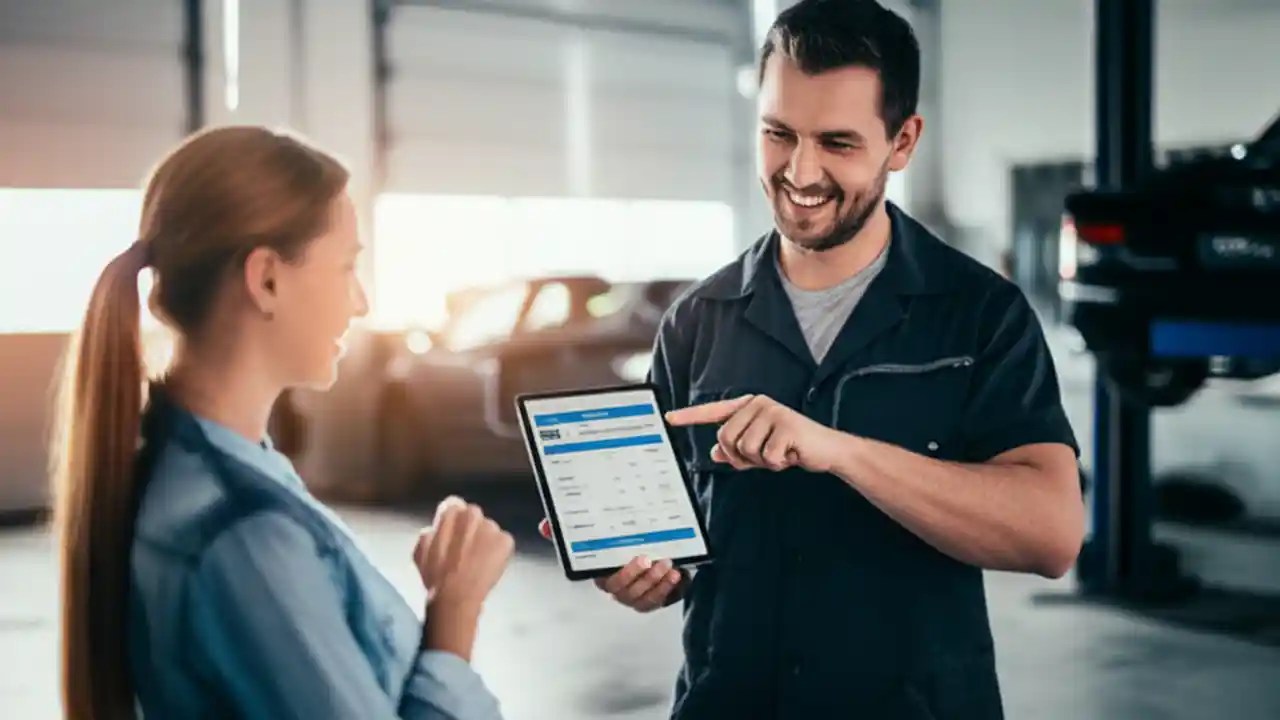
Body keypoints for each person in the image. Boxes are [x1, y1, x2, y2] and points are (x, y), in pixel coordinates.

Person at [540, 1, 1083, 717]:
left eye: (837, 142)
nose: (799, 171)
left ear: (903, 140)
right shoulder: (697, 321)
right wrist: (645, 575)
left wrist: (840, 451)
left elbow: (1051, 535)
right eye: (778, 133)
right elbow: (673, 544)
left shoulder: (979, 313)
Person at [51, 126, 513, 719]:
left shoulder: (197, 468)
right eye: (347, 267)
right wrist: (455, 607)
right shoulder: (245, 535)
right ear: (266, 279)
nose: (360, 302)